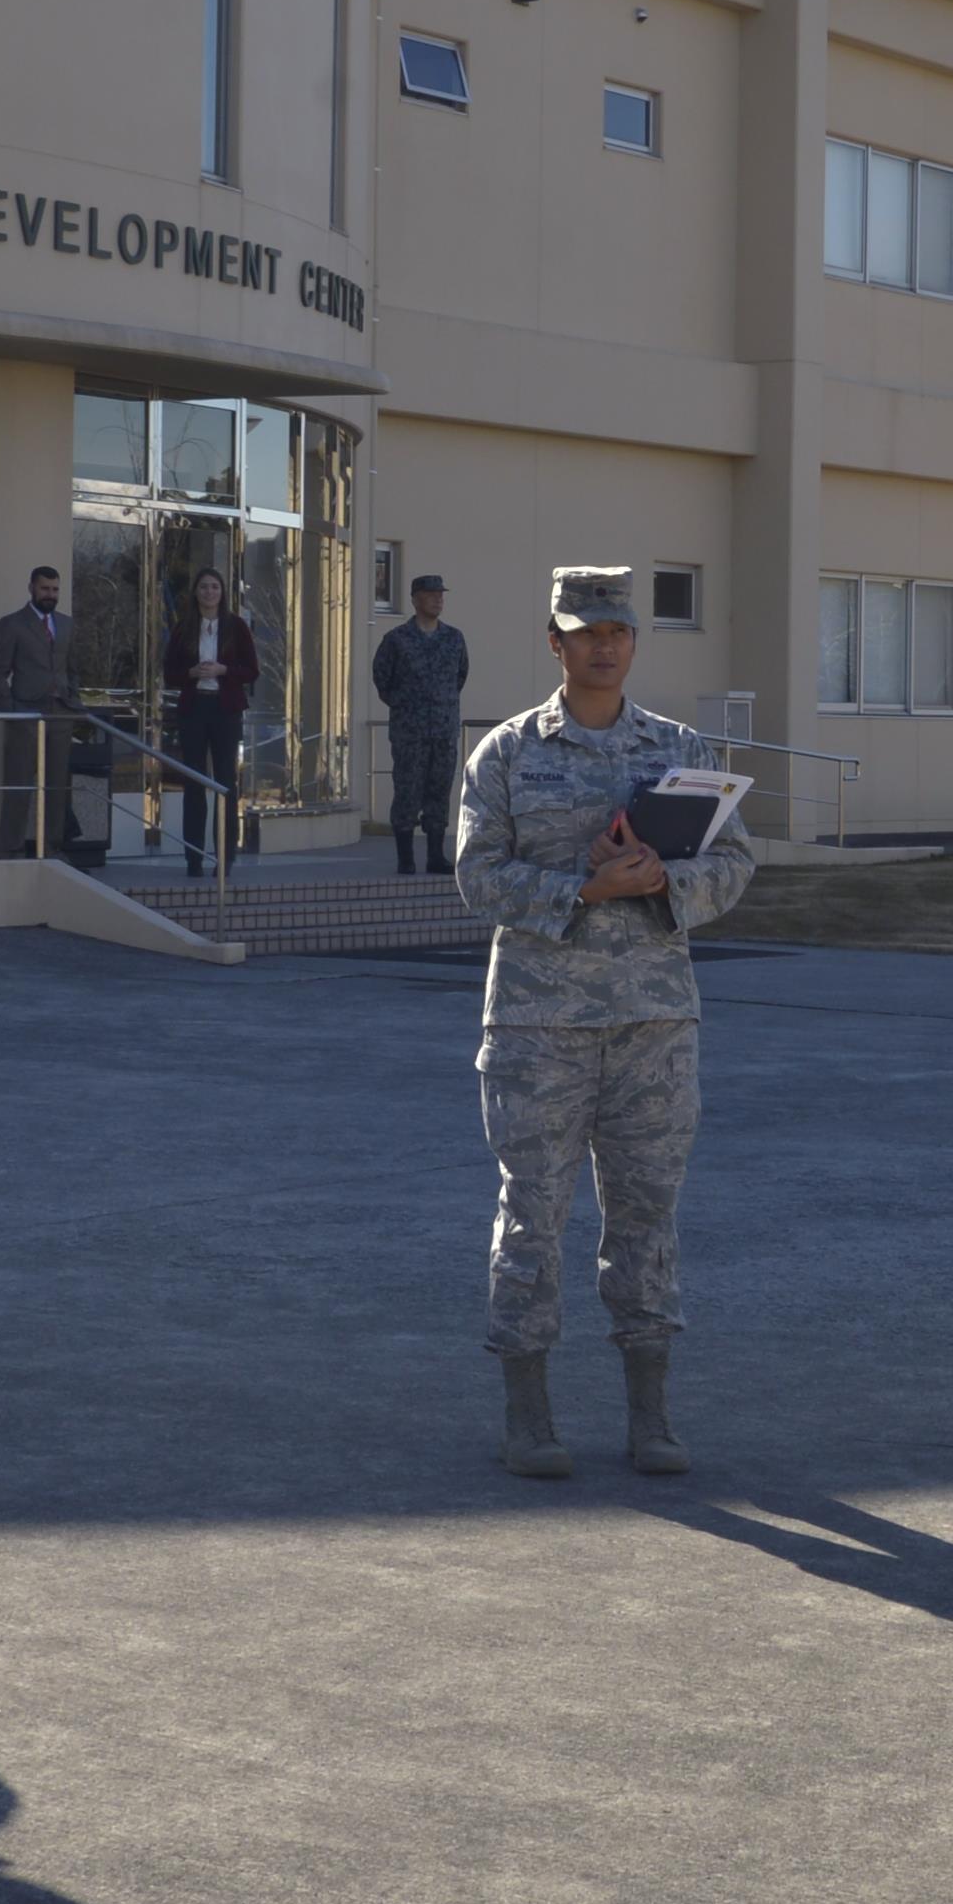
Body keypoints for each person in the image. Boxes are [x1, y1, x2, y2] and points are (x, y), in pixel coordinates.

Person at [454, 560, 757, 1478]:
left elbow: (736, 863)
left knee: (647, 1216)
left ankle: (650, 1415)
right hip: (539, 1024)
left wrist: (667, 880)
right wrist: (579, 889)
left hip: (653, 1023)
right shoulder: (505, 753)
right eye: (587, 632)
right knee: (533, 1216)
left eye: (618, 630)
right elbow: (476, 876)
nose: (605, 645)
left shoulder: (677, 749)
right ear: (555, 641)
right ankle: (529, 1414)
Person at [165, 562, 262, 876]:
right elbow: (169, 674)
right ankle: (193, 856)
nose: (209, 592)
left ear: (222, 593)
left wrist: (224, 671)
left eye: (215, 587)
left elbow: (252, 671)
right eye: (204, 586)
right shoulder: (183, 628)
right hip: (194, 709)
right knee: (194, 783)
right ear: (195, 592)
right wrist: (191, 673)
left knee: (225, 783)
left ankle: (225, 856)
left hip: (225, 710)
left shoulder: (236, 627)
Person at [0, 555, 82, 864]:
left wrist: (73, 699)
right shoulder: (12, 624)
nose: (50, 595)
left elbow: (74, 668)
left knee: (57, 786)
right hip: (26, 712)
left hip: (60, 713)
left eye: (55, 589)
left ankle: (52, 847)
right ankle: (10, 850)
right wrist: (10, 709)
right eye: (45, 589)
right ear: (31, 588)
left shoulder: (66, 624)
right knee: (19, 784)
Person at [372, 569, 470, 876]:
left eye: (440, 595)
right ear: (415, 600)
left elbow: (460, 677)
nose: (437, 600)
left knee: (440, 789)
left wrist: (439, 706)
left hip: (443, 729)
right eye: (430, 595)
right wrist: (406, 706)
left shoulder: (454, 638)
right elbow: (382, 680)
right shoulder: (397, 640)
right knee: (407, 790)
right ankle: (405, 857)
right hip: (409, 730)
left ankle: (436, 855)